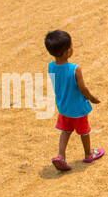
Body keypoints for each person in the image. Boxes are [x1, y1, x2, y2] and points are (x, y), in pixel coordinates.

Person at [44, 29, 103, 172]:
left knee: (65, 131)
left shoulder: (50, 66)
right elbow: (83, 88)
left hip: (63, 107)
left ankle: (61, 156)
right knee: (84, 131)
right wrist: (92, 98)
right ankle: (89, 154)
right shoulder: (75, 69)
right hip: (78, 108)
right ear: (67, 51)